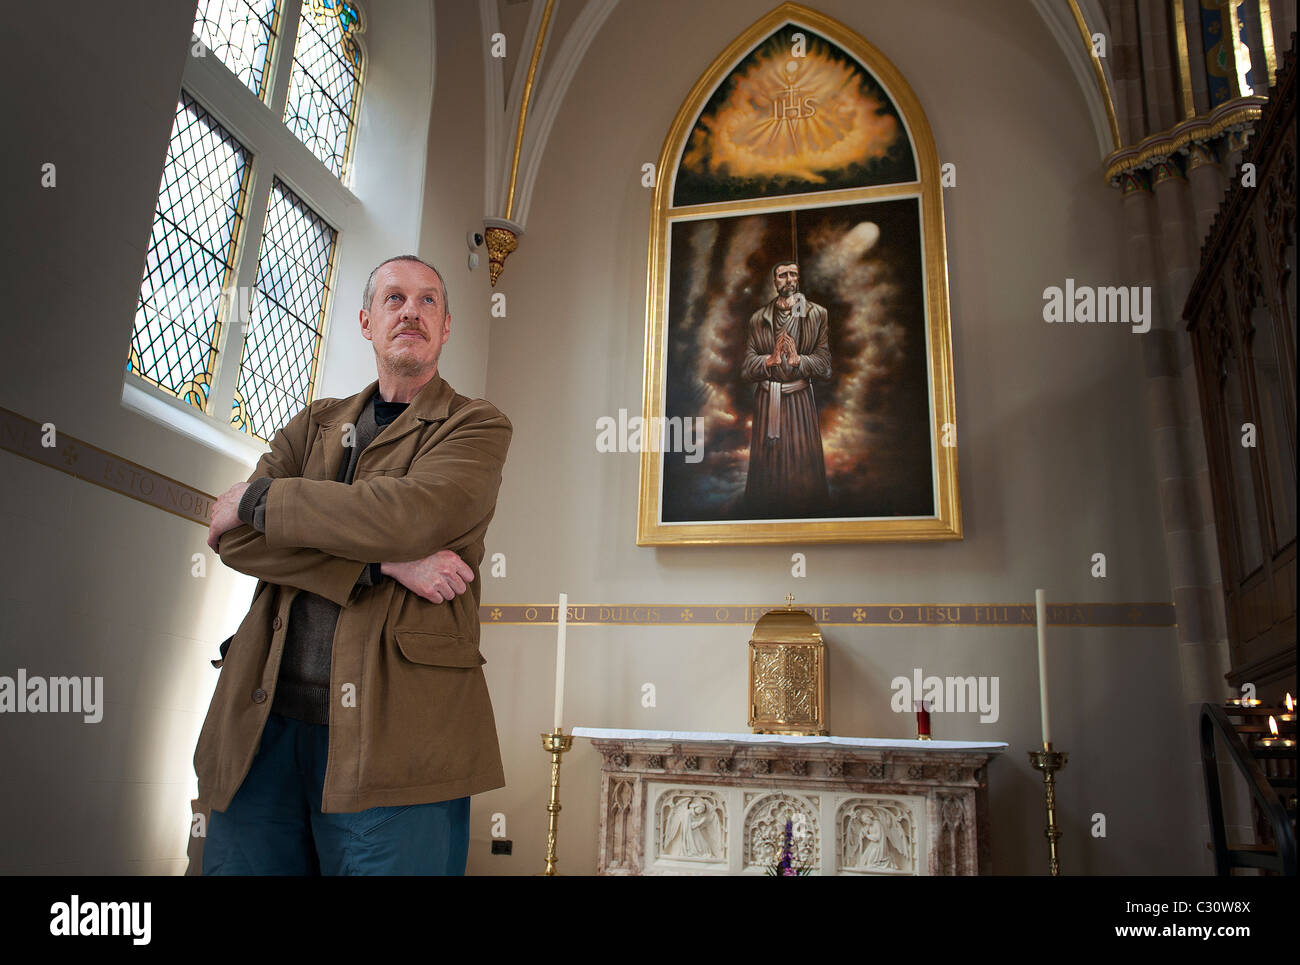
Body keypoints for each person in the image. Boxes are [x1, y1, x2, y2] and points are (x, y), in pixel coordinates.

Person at [194, 254, 512, 875]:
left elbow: (407, 517)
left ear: (447, 328)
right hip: (262, 726)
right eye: (394, 299)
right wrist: (380, 569)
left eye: (428, 301)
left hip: (398, 739)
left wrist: (261, 500)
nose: (411, 312)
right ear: (367, 322)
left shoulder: (475, 425)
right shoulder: (314, 424)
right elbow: (232, 542)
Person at [741, 261, 831, 517]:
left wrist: (799, 360)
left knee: (802, 465)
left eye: (793, 274)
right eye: (783, 275)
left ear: (799, 279)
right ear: (774, 281)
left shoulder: (815, 314)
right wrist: (768, 360)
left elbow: (825, 366)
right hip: (768, 401)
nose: (789, 279)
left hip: (799, 401)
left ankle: (807, 516)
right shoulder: (759, 319)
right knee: (768, 474)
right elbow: (746, 368)